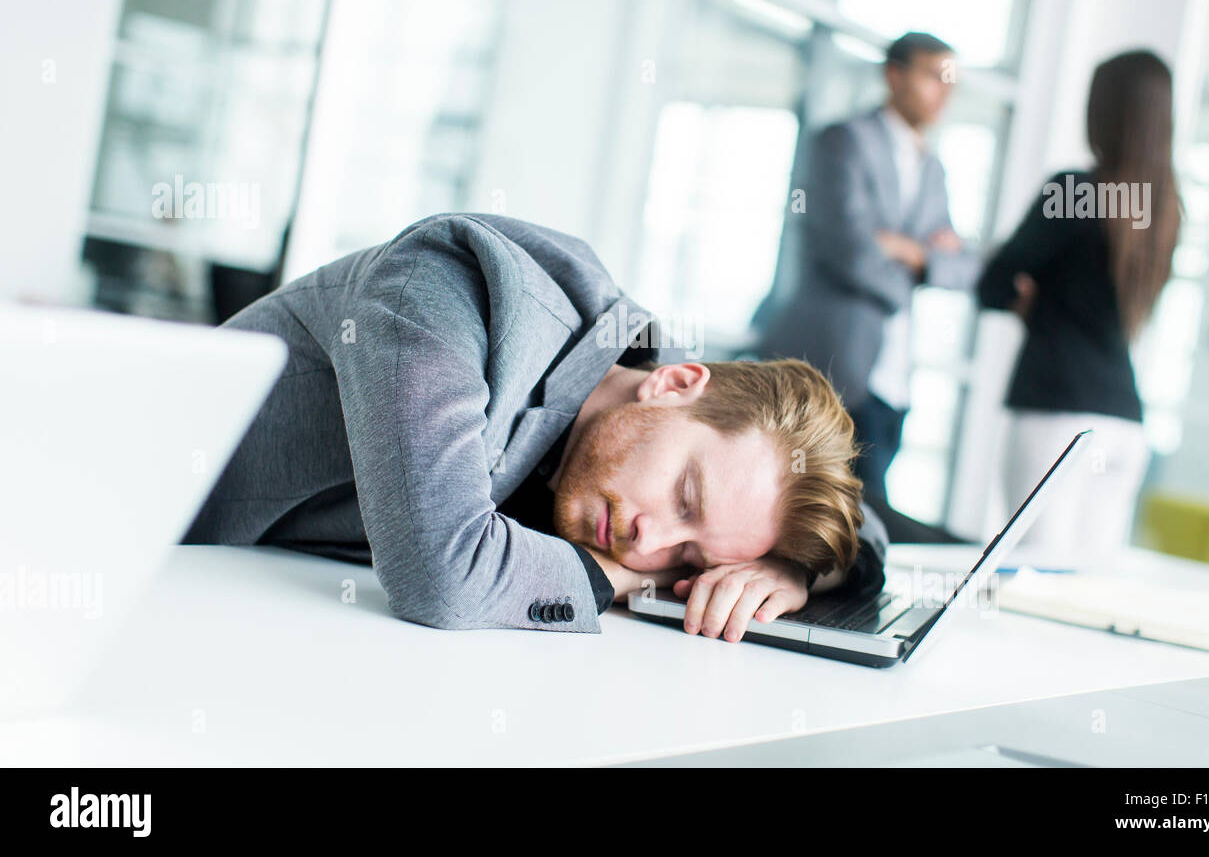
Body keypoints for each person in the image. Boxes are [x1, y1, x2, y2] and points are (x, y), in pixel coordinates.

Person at [182, 212, 896, 643]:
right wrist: (616, 581)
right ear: (676, 382)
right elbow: (442, 575)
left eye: (693, 559)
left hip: (272, 618)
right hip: (158, 561)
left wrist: (787, 567)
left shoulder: (673, 412)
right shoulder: (448, 285)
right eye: (685, 499)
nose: (653, 546)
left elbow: (860, 520)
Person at [753, 31, 981, 500]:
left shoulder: (934, 169)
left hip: (893, 379)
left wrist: (907, 249)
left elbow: (968, 269)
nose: (946, 92)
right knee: (826, 512)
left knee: (862, 516)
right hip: (833, 363)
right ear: (894, 75)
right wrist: (928, 255)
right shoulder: (844, 141)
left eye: (952, 81)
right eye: (934, 77)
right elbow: (852, 252)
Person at [977, 49, 1182, 562]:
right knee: (1086, 591)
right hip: (1125, 424)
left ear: (1104, 112)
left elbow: (993, 283)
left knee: (1029, 580)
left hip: (1059, 416)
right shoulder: (1166, 209)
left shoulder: (1073, 191)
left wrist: (1030, 298)